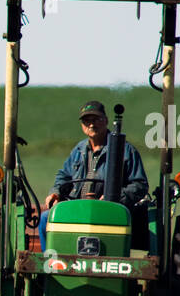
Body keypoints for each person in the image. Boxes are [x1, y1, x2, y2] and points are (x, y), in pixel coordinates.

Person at [39, 100, 149, 250]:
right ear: (82, 125)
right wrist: (55, 193)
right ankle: (51, 263)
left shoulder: (125, 150)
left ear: (106, 121)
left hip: (109, 210)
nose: (91, 124)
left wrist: (115, 197)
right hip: (79, 208)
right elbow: (63, 176)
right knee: (46, 219)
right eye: (87, 121)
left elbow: (139, 184)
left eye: (96, 119)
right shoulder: (78, 150)